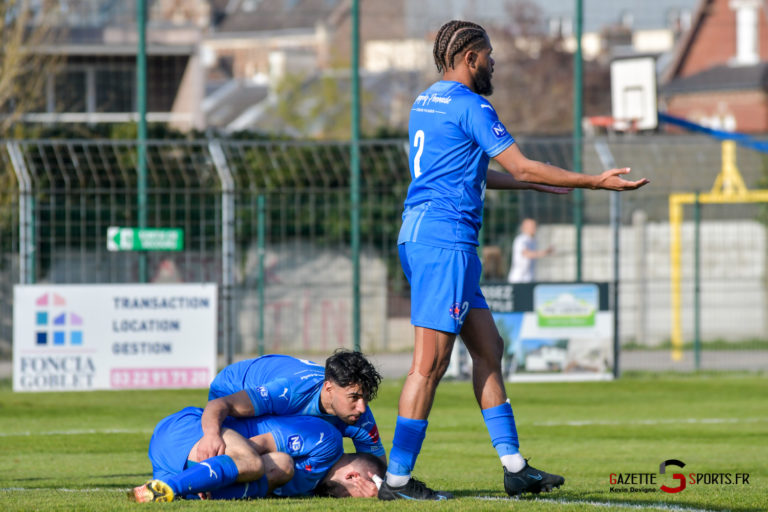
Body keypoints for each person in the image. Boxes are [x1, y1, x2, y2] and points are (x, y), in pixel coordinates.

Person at [379, 20, 649, 501]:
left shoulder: (427, 100)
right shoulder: (473, 105)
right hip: (445, 243)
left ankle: (514, 467)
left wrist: (528, 182)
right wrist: (595, 181)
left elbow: (469, 170)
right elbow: (519, 161)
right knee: (430, 364)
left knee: (488, 348)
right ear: (469, 58)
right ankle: (396, 482)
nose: (493, 63)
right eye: (488, 55)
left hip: (421, 235)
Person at [130, 406, 385, 502]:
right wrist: (213, 468)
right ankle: (170, 487)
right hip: (189, 432)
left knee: (279, 468)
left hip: (181, 462)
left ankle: (164, 490)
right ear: (354, 476)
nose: (348, 499)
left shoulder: (310, 486)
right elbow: (256, 443)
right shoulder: (327, 440)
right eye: (353, 495)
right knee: (265, 462)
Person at [197, 350, 385, 467]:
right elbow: (220, 405)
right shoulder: (289, 392)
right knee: (262, 454)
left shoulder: (360, 415)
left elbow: (377, 468)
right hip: (234, 384)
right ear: (329, 388)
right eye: (354, 397)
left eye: (366, 398)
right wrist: (211, 436)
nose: (362, 408)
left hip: (279, 395)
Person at [507, 218, 552, 283]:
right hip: (519, 279)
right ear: (524, 227)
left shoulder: (534, 241)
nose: (534, 228)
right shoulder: (521, 240)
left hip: (530, 278)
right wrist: (544, 252)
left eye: (535, 226)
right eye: (532, 226)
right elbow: (526, 254)